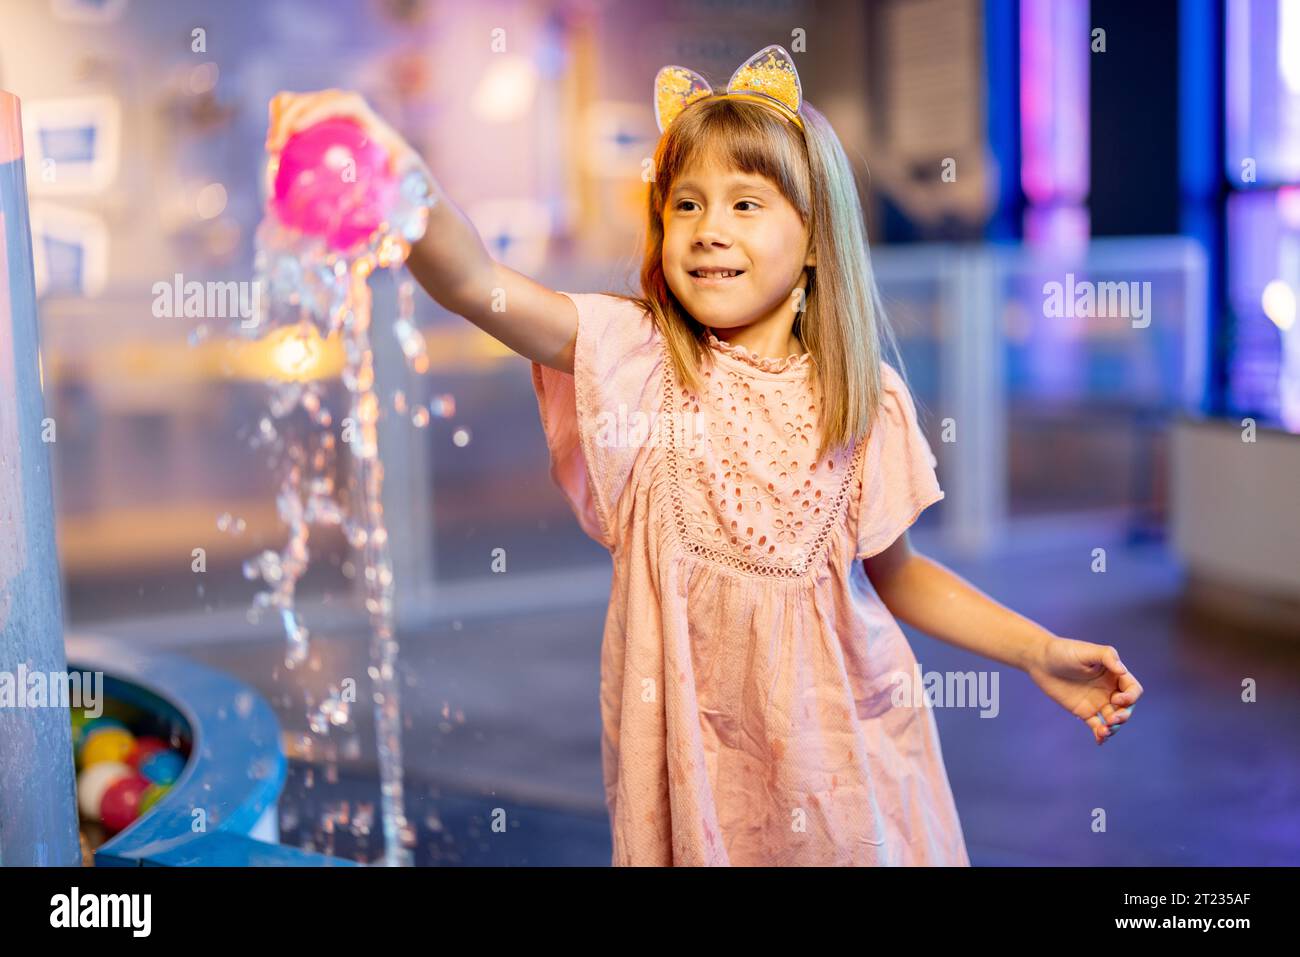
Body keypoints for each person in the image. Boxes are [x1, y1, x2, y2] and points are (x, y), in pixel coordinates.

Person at [266, 44, 1142, 866]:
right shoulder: (637, 357)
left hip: (848, 771)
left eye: (746, 203)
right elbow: (475, 284)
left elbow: (900, 576)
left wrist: (1033, 650)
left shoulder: (863, 399)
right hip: (696, 772)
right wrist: (398, 169)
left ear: (813, 242)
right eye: (686, 202)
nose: (709, 228)